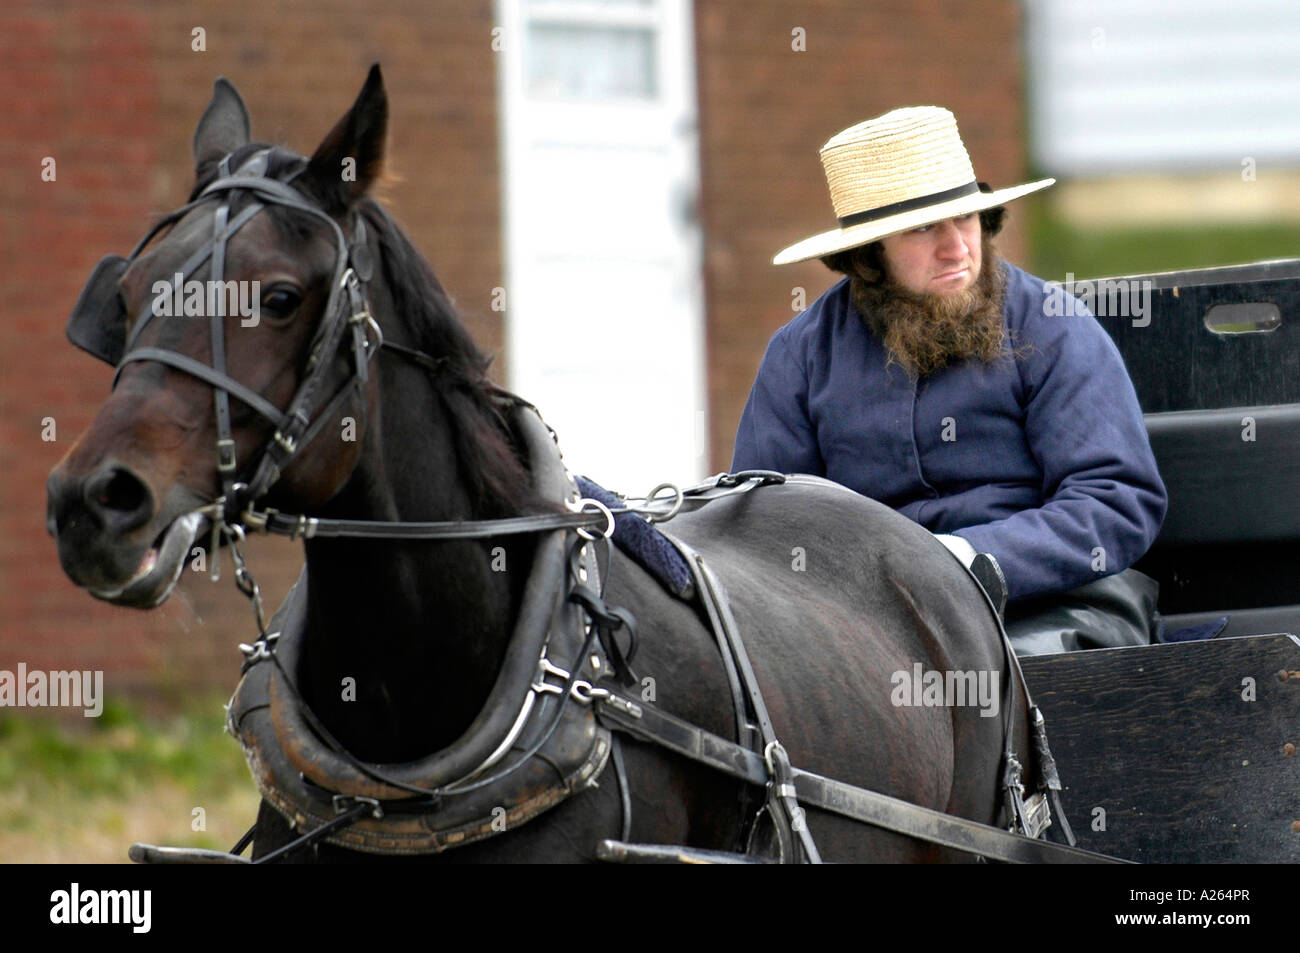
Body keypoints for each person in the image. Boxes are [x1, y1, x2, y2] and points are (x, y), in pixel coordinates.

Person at [731, 106, 1168, 655]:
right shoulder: (799, 354)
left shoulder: (1054, 325)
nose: (957, 247)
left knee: (998, 692)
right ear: (869, 254)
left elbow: (1115, 501)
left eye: (965, 217)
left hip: (1055, 602)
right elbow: (762, 524)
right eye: (922, 228)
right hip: (867, 623)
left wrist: (967, 558)